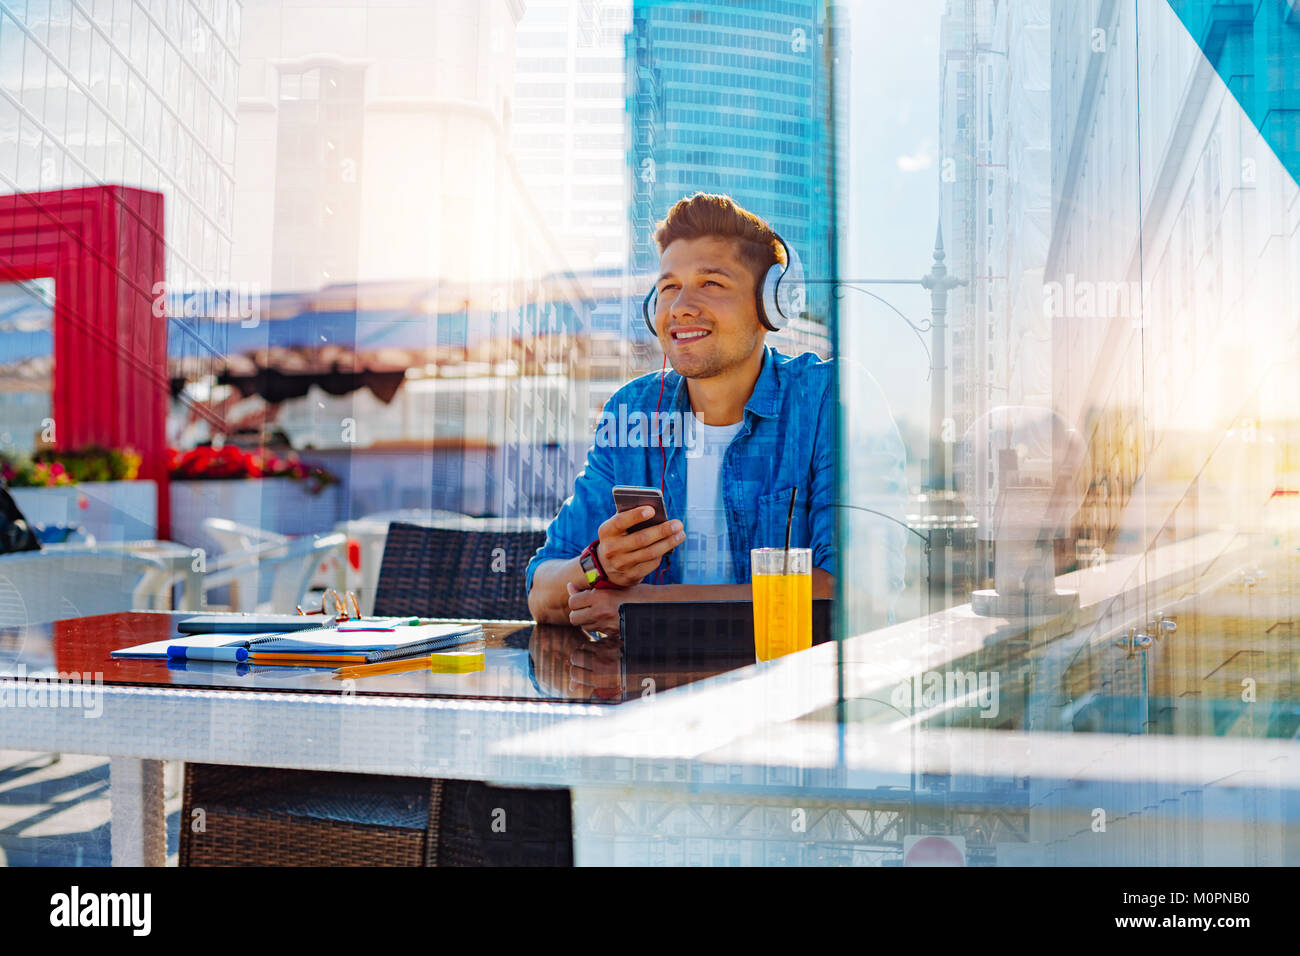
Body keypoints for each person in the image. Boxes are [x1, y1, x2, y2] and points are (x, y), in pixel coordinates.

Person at [525, 193, 838, 635]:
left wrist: (653, 609)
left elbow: (847, 591)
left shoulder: (825, 402)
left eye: (711, 283)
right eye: (670, 286)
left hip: (790, 692)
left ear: (771, 304)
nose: (681, 306)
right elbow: (541, 592)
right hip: (653, 699)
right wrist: (598, 566)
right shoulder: (632, 411)